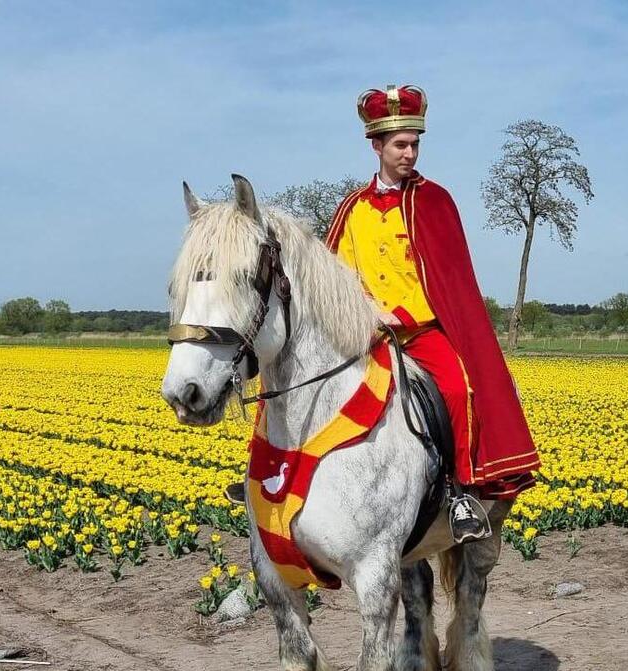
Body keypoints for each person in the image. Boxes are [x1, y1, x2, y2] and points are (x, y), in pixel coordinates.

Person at [228, 85, 541, 544]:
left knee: (455, 388)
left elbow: (447, 281)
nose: (409, 153)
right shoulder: (351, 208)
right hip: (362, 332)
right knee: (288, 378)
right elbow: (331, 275)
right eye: (400, 145)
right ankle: (268, 472)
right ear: (377, 146)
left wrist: (398, 313)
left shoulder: (435, 201)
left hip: (422, 331)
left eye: (415, 144)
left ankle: (457, 495)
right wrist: (363, 313)